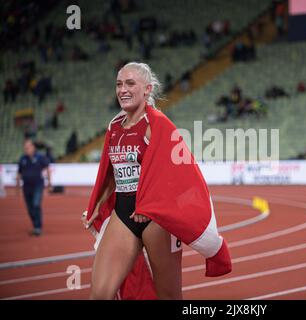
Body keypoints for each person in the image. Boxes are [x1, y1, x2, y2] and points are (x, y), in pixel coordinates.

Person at [82, 62, 231, 300]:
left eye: (130, 83)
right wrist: (97, 206)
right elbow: (110, 174)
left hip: (156, 220)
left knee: (169, 296)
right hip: (123, 214)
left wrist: (149, 203)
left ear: (147, 89)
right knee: (100, 294)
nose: (123, 89)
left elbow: (178, 174)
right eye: (119, 84)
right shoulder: (114, 128)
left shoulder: (158, 125)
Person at [16, 139, 51, 236]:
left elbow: (47, 168)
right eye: (25, 147)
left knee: (36, 204)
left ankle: (38, 227)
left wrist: (49, 183)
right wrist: (17, 187)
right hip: (26, 187)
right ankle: (36, 225)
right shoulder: (22, 158)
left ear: (33, 147)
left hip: (38, 185)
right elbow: (19, 173)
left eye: (28, 147)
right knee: (30, 208)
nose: (26, 149)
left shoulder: (40, 157)